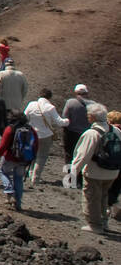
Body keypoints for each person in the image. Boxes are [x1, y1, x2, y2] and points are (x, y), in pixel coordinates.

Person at [68, 104, 119, 234]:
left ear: (92, 117)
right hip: (112, 172)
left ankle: (95, 225)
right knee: (103, 196)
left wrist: (71, 173)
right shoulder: (116, 131)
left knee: (91, 198)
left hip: (95, 172)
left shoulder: (92, 133)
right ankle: (104, 222)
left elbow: (82, 156)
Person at [0, 112, 36, 210]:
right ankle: (18, 204)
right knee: (18, 179)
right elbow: (35, 144)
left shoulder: (10, 129)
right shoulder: (31, 129)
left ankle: (9, 190)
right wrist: (31, 157)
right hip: (24, 159)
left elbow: (3, 144)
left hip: (10, 157)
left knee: (3, 172)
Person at [24, 89, 65, 187]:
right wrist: (68, 120)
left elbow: (25, 117)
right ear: (50, 97)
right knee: (41, 157)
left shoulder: (31, 104)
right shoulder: (50, 107)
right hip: (45, 135)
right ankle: (35, 178)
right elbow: (60, 122)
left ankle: (30, 173)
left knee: (33, 154)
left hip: (32, 134)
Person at [61, 84, 93, 165]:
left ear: (76, 93)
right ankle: (79, 174)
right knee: (82, 155)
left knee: (69, 155)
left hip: (71, 134)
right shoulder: (93, 104)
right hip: (87, 134)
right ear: (87, 93)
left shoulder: (70, 102)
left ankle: (69, 175)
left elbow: (65, 117)